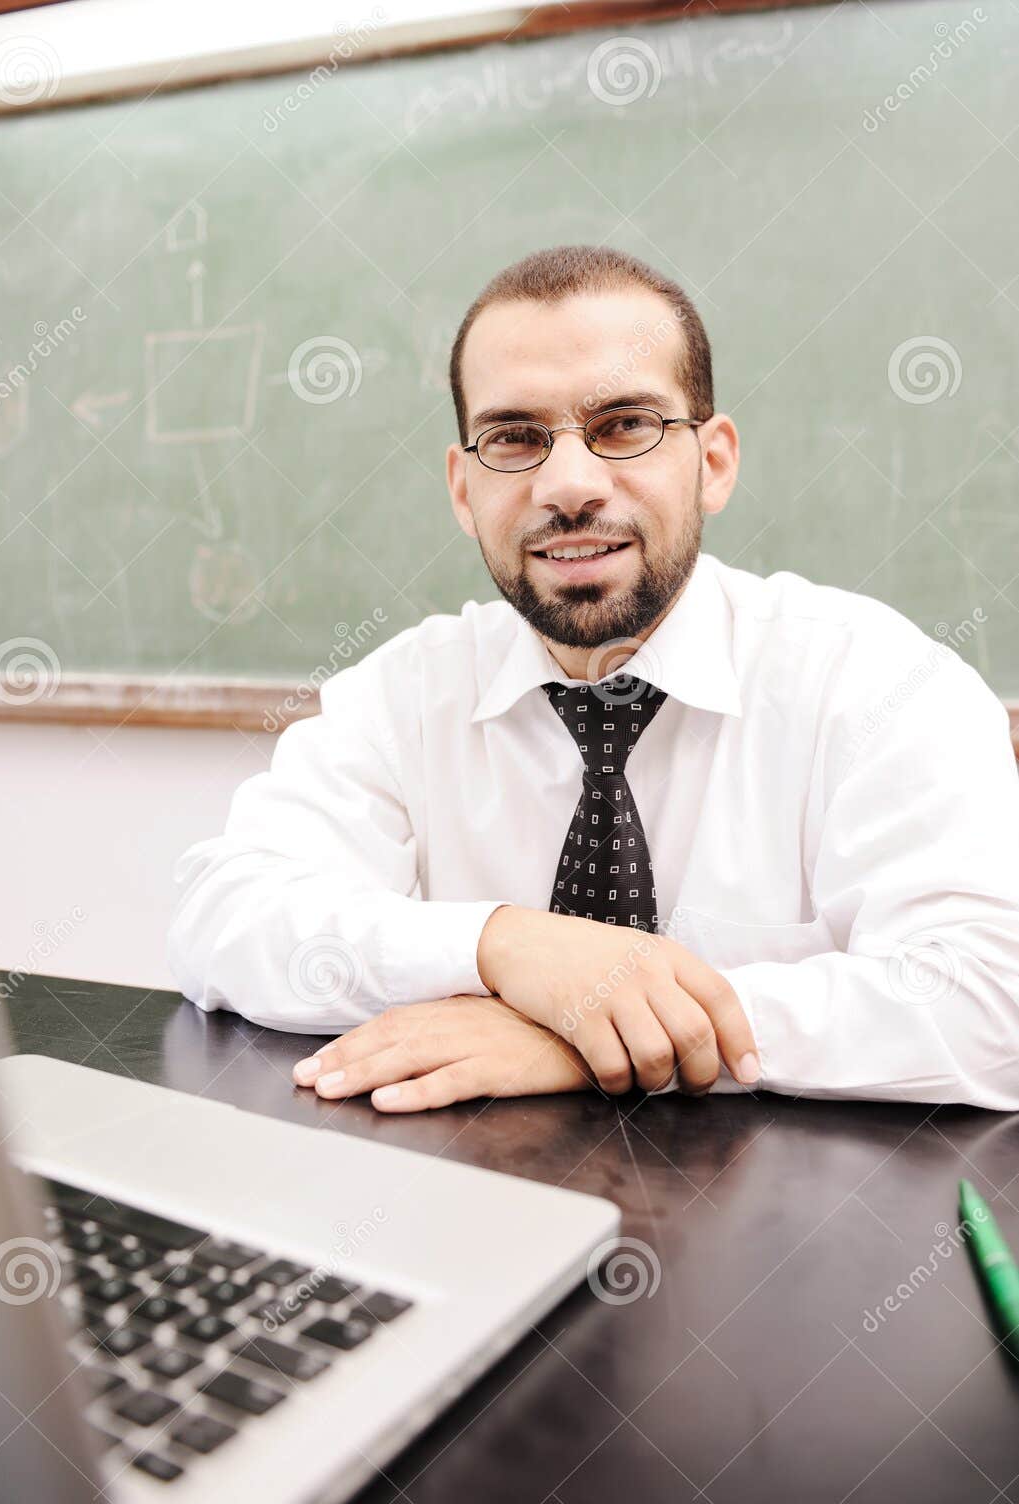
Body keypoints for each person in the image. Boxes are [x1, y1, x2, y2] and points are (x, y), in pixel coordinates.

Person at [168, 245, 1019, 1113]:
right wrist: (504, 947)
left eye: (623, 425)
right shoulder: (404, 694)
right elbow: (223, 917)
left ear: (713, 462)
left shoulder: (879, 684)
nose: (568, 485)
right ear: (463, 490)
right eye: (515, 438)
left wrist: (586, 1028)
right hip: (478, 1218)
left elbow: (990, 1002)